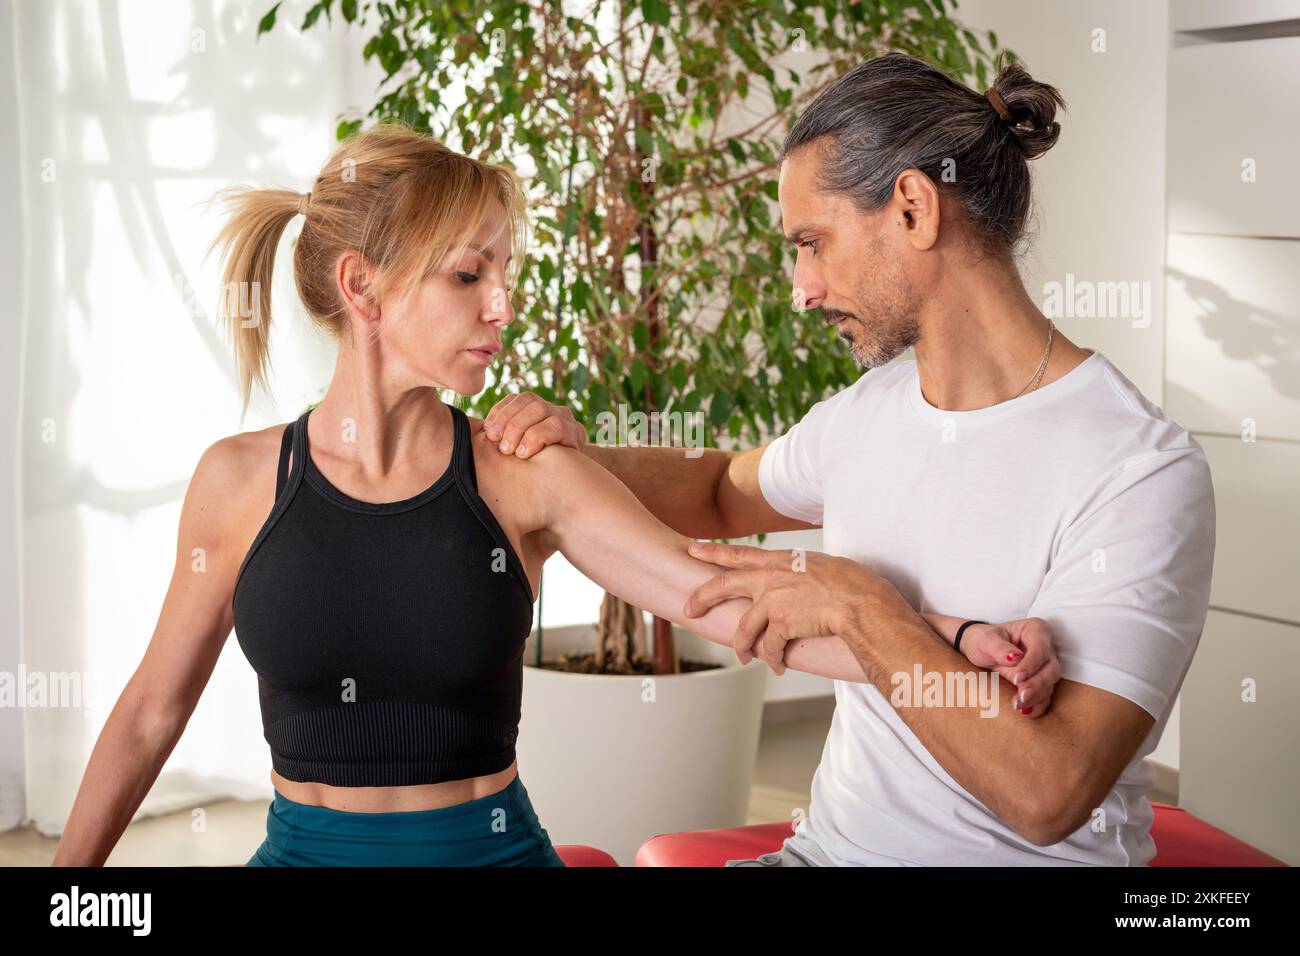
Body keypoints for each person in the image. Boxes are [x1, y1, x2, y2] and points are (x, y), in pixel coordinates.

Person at [50, 123, 1054, 868]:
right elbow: (151, 709)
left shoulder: (524, 470)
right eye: (467, 274)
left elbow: (717, 595)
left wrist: (947, 641)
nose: (504, 302)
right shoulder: (235, 483)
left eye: (506, 270)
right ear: (364, 289)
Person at [483, 53, 1216, 866]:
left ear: (912, 208)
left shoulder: (1138, 470)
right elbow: (722, 490)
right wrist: (564, 456)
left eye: (813, 242)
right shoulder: (871, 413)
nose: (800, 288)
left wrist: (862, 607)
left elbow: (1050, 791)